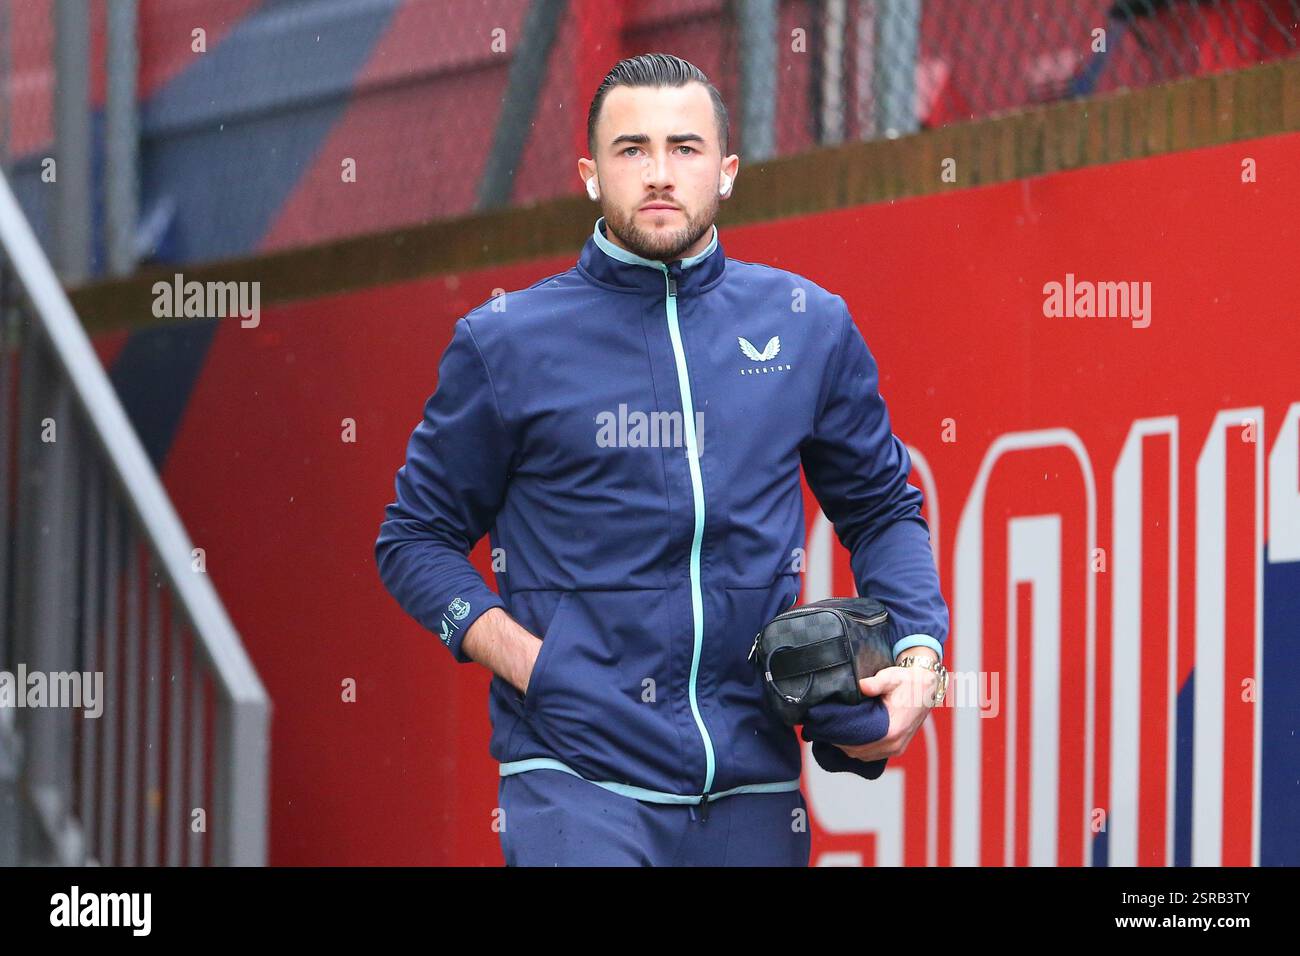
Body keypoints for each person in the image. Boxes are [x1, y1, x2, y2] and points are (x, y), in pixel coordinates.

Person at [375, 52, 949, 866]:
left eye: (684, 148)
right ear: (589, 175)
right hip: (577, 780)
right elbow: (413, 539)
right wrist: (538, 666)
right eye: (631, 149)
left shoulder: (807, 324)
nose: (658, 173)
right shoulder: (505, 343)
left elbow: (884, 509)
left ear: (727, 171)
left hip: (753, 785)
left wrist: (919, 658)